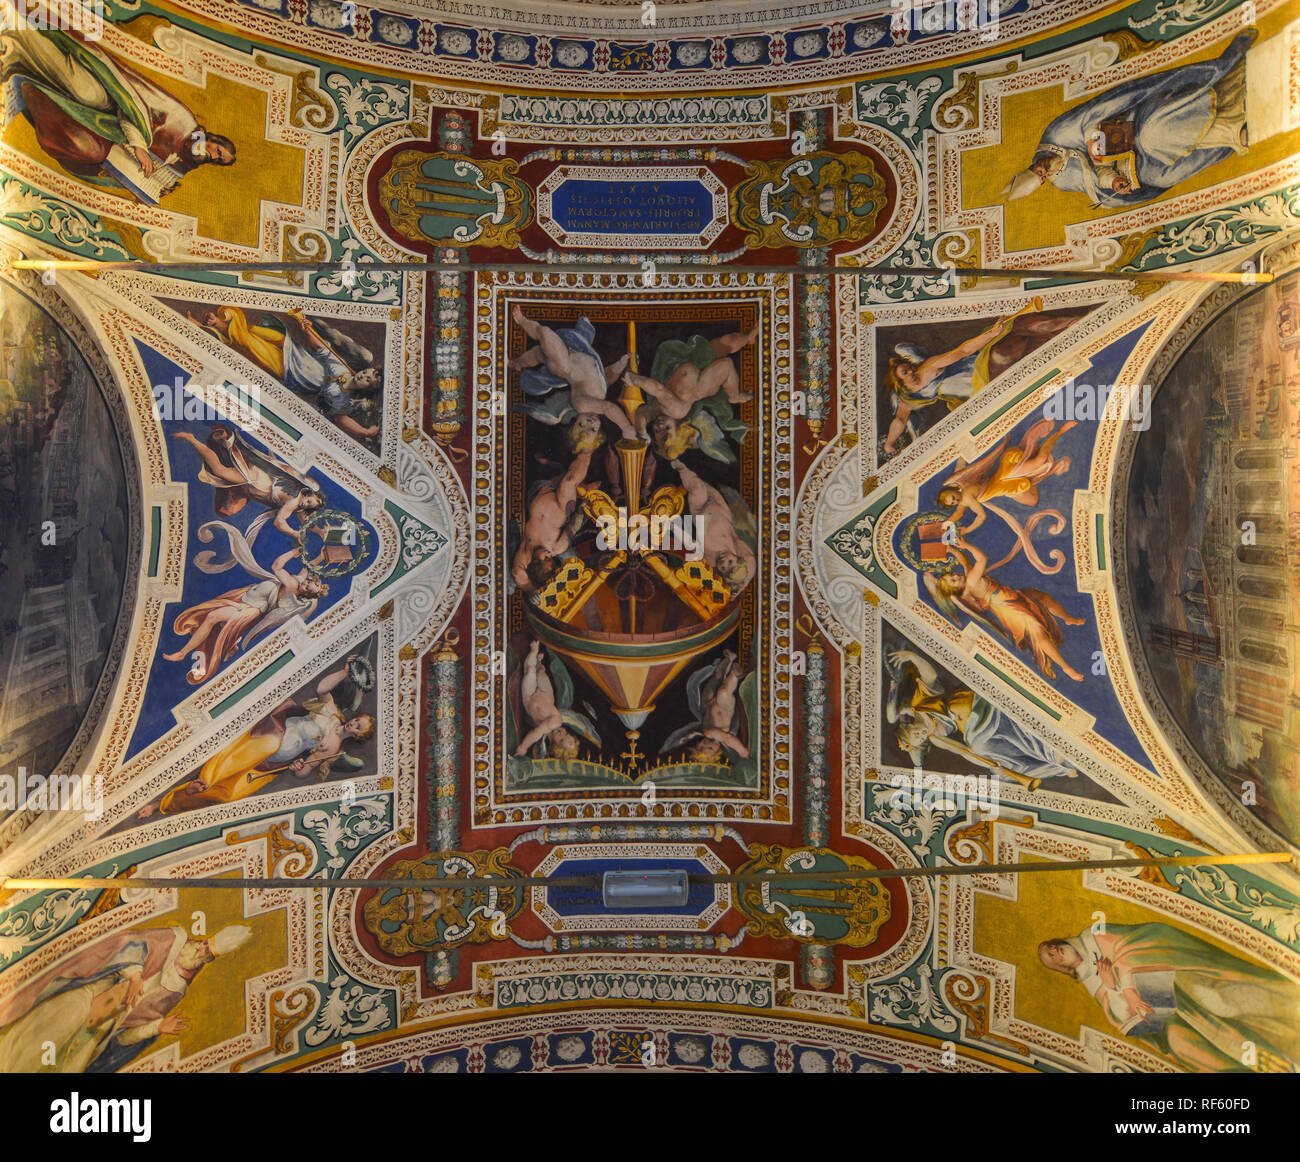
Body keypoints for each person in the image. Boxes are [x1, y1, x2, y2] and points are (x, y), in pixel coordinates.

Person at [1003, 32, 1252, 208]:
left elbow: (1092, 114)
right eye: (1043, 178)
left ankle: (1230, 127)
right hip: (1128, 164)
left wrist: (1093, 139)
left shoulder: (1055, 135)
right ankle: (1226, 142)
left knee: (1153, 135)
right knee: (1160, 177)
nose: (1044, 173)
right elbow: (1096, 180)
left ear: (1030, 166)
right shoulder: (1062, 181)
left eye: (1038, 171)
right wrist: (1115, 183)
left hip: (1128, 127)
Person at [1, 28, 235, 202]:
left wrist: (146, 188)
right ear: (212, 139)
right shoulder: (183, 122)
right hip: (110, 103)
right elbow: (132, 109)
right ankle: (22, 40)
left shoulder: (183, 166)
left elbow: (135, 169)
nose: (213, 157)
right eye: (217, 151)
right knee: (87, 93)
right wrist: (140, 147)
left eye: (218, 161)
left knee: (88, 151)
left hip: (108, 137)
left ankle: (31, 93)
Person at [1039, 922, 1300, 1073]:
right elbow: (1124, 1020)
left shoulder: (1096, 934)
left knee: (1218, 999)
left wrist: (1127, 978)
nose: (1054, 950)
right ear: (1062, 968)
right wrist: (1114, 988)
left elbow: (1147, 938)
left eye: (1051, 946)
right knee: (1181, 1045)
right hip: (1166, 1013)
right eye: (1051, 956)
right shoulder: (1091, 984)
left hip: (1183, 979)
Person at [137, 654, 374, 816]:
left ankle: (170, 804)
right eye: (358, 720)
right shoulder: (331, 712)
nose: (354, 723)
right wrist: (345, 672)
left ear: (358, 736)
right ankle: (160, 802)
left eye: (359, 727)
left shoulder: (333, 750)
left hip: (273, 765)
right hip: (270, 738)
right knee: (214, 776)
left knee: (228, 796)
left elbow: (306, 771)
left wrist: (298, 768)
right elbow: (322, 688)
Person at [886, 648, 1077, 788]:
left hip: (975, 704)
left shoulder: (918, 703)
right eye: (920, 740)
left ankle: (1048, 751)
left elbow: (930, 675)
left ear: (907, 727)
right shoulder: (935, 737)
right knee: (979, 746)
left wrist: (912, 657)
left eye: (915, 735)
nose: (921, 735)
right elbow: (965, 752)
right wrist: (992, 766)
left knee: (988, 737)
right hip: (975, 729)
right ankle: (1049, 760)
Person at [192, 309, 381, 440]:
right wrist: (307, 330)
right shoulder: (343, 367)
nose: (363, 375)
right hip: (294, 350)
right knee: (255, 331)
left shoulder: (343, 400)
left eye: (367, 379)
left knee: (250, 343)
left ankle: (215, 327)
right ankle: (215, 327)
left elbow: (342, 420)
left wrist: (364, 432)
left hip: (289, 371)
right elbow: (321, 347)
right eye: (366, 372)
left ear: (367, 389)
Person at [164, 537, 327, 683]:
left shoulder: (292, 585)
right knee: (211, 620)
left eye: (307, 585)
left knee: (212, 617)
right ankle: (228, 644)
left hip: (249, 608)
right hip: (244, 596)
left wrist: (292, 553)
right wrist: (321, 557)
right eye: (307, 582)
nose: (305, 583)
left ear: (305, 592)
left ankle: (182, 653)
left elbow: (276, 566)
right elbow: (307, 570)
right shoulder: (298, 583)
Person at [926, 538, 1085, 681]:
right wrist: (966, 545)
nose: (956, 576)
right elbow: (981, 559)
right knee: (1037, 632)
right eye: (953, 581)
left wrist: (951, 550)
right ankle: (1066, 668)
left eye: (953, 574)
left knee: (1042, 598)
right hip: (1009, 609)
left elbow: (965, 562)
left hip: (1013, 597)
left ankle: (1067, 618)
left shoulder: (968, 579)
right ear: (956, 591)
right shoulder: (972, 582)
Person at [173, 426, 323, 543]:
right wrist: (293, 533)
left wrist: (320, 532)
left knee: (222, 474)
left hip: (258, 482)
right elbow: (279, 522)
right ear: (308, 493)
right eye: (309, 501)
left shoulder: (298, 502)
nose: (305, 504)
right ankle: (191, 439)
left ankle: (195, 440)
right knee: (220, 471)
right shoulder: (294, 501)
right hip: (257, 479)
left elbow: (305, 519)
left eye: (308, 506)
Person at [510, 307, 635, 438]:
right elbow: (606, 377)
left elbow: (609, 408)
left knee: (544, 333)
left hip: (564, 363)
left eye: (581, 425)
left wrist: (627, 428)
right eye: (592, 429)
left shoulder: (581, 406)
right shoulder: (599, 399)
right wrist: (620, 364)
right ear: (600, 430)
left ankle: (522, 321)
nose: (589, 423)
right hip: (577, 348)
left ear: (575, 421)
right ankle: (518, 363)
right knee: (538, 354)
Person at [512, 443, 599, 593]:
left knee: (569, 479)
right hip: (561, 503)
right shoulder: (557, 547)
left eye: (544, 559)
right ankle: (590, 447)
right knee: (570, 481)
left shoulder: (526, 550)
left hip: (539, 490)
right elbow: (575, 524)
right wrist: (586, 502)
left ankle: (580, 479)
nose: (548, 555)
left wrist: (530, 589)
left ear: (533, 563)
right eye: (549, 559)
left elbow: (518, 574)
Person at [621, 326, 758, 420]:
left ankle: (748, 338)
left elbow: (641, 414)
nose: (660, 425)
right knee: (726, 361)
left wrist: (641, 431)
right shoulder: (676, 411)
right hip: (700, 385)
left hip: (690, 365)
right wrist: (633, 378)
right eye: (664, 430)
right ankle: (734, 396)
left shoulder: (654, 407)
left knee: (718, 346)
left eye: (657, 429)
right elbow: (659, 390)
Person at [670, 459, 755, 592]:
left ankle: (680, 467)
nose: (724, 562)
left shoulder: (710, 558)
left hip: (700, 509)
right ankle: (685, 470)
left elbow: (689, 542)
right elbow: (750, 560)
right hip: (719, 506)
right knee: (700, 483)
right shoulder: (736, 546)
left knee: (697, 489)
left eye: (723, 568)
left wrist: (672, 527)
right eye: (730, 562)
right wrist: (744, 583)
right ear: (737, 557)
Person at [513, 639, 582, 758]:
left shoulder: (545, 734)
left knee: (530, 671)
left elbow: (534, 727)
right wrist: (523, 747)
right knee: (540, 673)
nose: (561, 732)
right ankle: (537, 657)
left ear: (554, 746)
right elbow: (537, 732)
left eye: (561, 740)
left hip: (529, 696)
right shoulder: (555, 722)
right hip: (545, 694)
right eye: (566, 734)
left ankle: (535, 657)